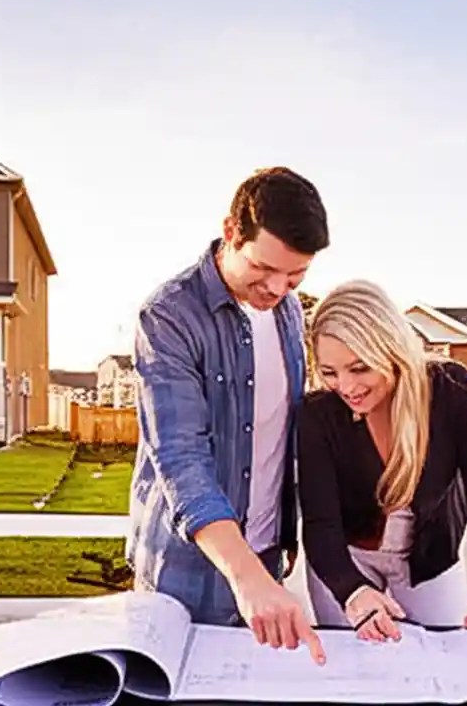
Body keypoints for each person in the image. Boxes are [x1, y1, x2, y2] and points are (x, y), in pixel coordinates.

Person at [127, 166, 329, 664]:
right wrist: (248, 579)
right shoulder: (168, 317)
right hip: (183, 571)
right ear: (231, 232)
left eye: (296, 275)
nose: (278, 287)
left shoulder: (288, 313)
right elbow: (180, 457)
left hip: (266, 562)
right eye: (263, 268)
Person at [296, 279, 467, 644]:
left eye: (359, 368)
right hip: (345, 560)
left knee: (443, 662)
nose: (346, 387)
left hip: (429, 559)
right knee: (352, 671)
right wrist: (352, 592)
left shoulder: (454, 391)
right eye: (329, 372)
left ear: (390, 350)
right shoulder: (317, 414)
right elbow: (320, 522)